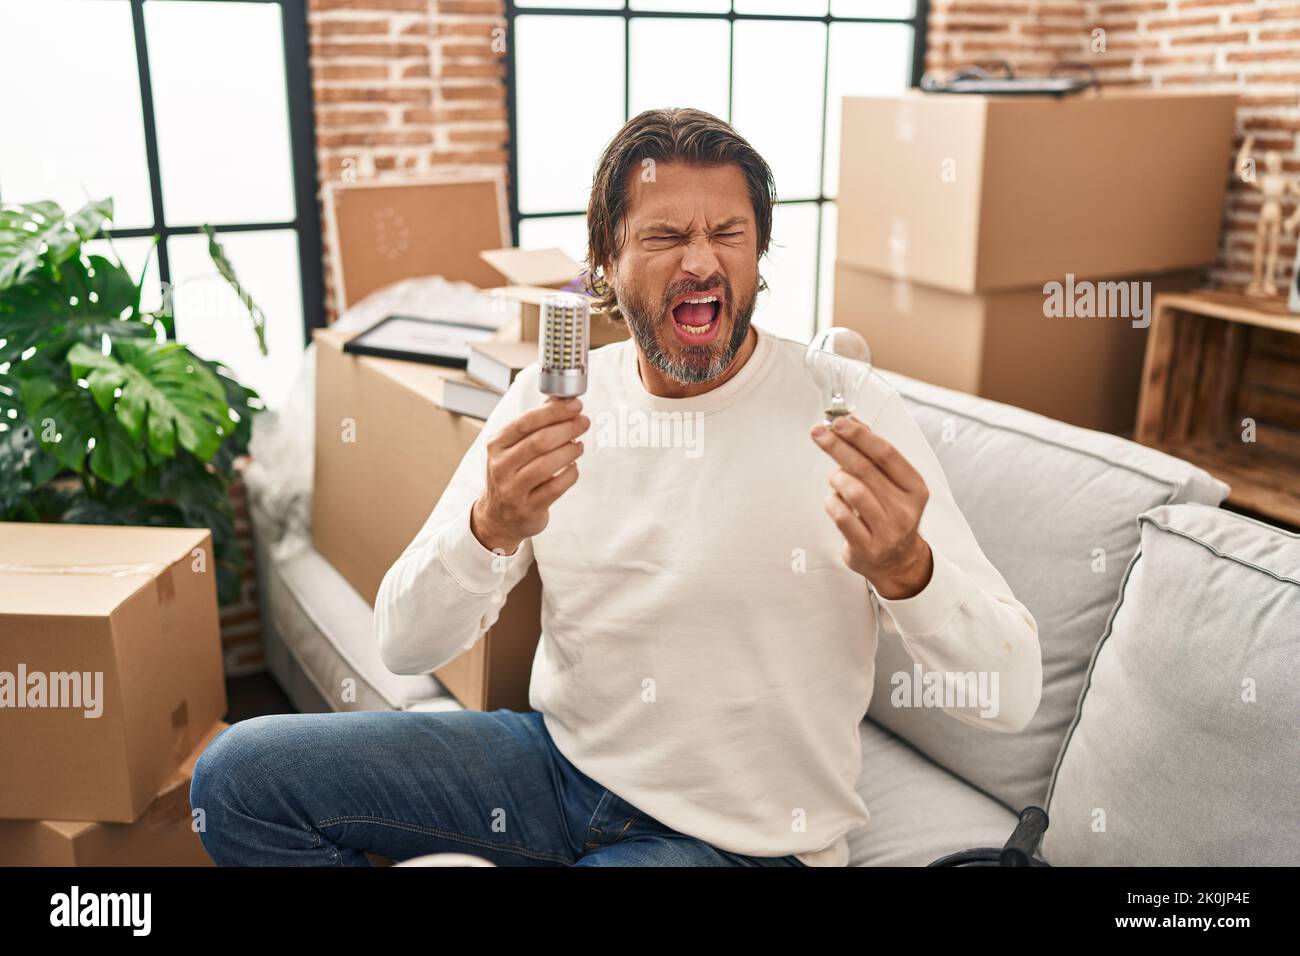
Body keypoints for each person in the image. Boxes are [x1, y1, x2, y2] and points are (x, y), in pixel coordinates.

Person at [191, 107, 1041, 867]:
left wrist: (907, 571)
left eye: (730, 234)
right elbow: (403, 645)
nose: (702, 261)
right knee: (233, 781)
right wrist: (490, 529)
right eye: (666, 236)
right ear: (605, 261)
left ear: (760, 253)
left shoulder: (848, 409)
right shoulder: (552, 398)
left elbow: (1012, 695)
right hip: (556, 771)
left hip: (742, 841)